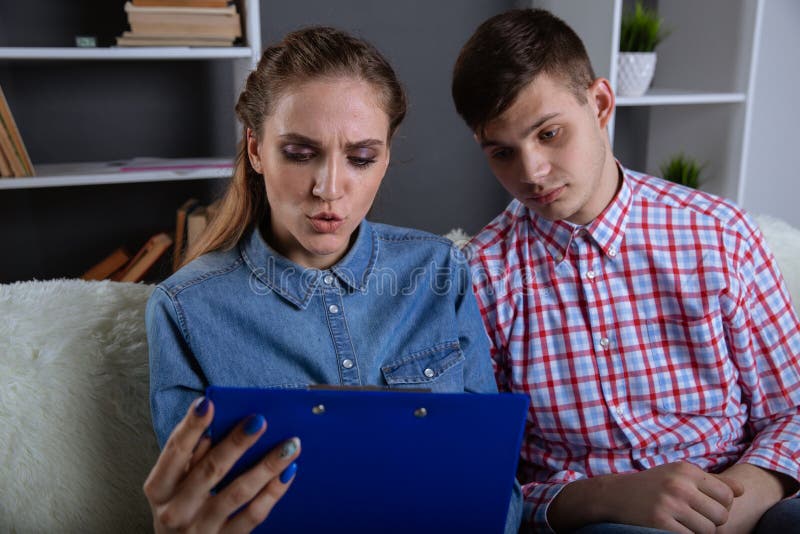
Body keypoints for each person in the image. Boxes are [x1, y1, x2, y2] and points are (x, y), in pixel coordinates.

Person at [144, 26, 521, 533]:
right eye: (300, 154)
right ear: (255, 150)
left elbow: (500, 496)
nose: (329, 188)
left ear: (385, 158)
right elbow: (194, 512)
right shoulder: (184, 309)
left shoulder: (440, 270)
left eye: (361, 158)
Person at [451, 8, 800, 534]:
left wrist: (752, 491)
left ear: (600, 103)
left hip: (747, 495)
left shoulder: (719, 235)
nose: (531, 173)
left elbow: (792, 408)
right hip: (604, 521)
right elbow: (488, 479)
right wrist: (607, 497)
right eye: (502, 152)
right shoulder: (481, 278)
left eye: (549, 134)